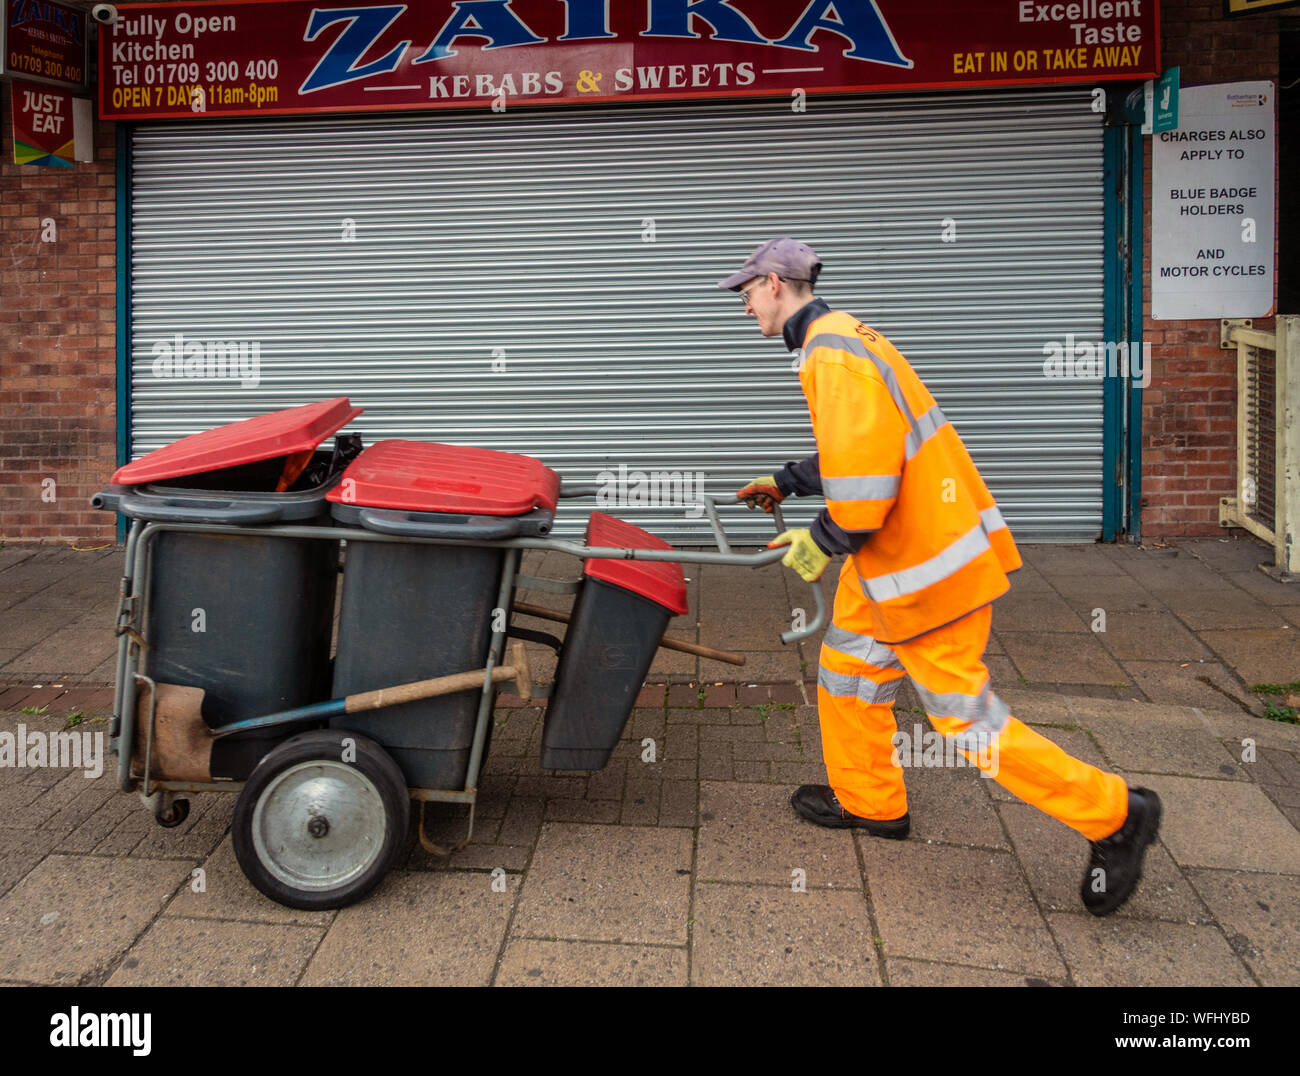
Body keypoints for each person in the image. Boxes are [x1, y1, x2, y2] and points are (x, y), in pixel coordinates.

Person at [720, 237, 1160, 917]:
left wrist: (814, 548)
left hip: (924, 570)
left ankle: (1114, 814)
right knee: (846, 671)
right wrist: (787, 481)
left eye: (746, 293)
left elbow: (865, 489)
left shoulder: (833, 352)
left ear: (776, 284)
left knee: (964, 720)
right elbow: (864, 446)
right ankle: (870, 800)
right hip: (893, 565)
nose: (745, 307)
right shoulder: (838, 340)